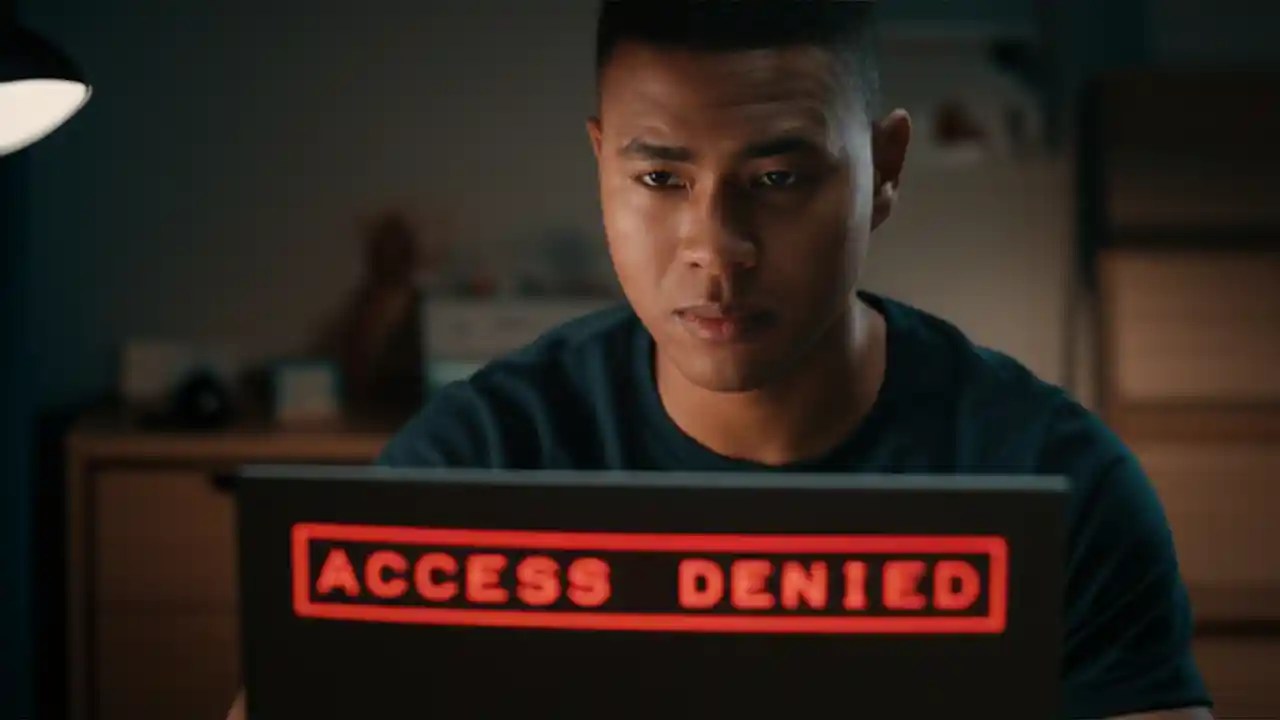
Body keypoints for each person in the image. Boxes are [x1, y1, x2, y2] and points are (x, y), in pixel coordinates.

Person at [229, 2, 1213, 718]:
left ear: (884, 172)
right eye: (659, 177)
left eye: (778, 178)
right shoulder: (477, 460)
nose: (713, 247)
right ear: (599, 163)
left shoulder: (1055, 482)